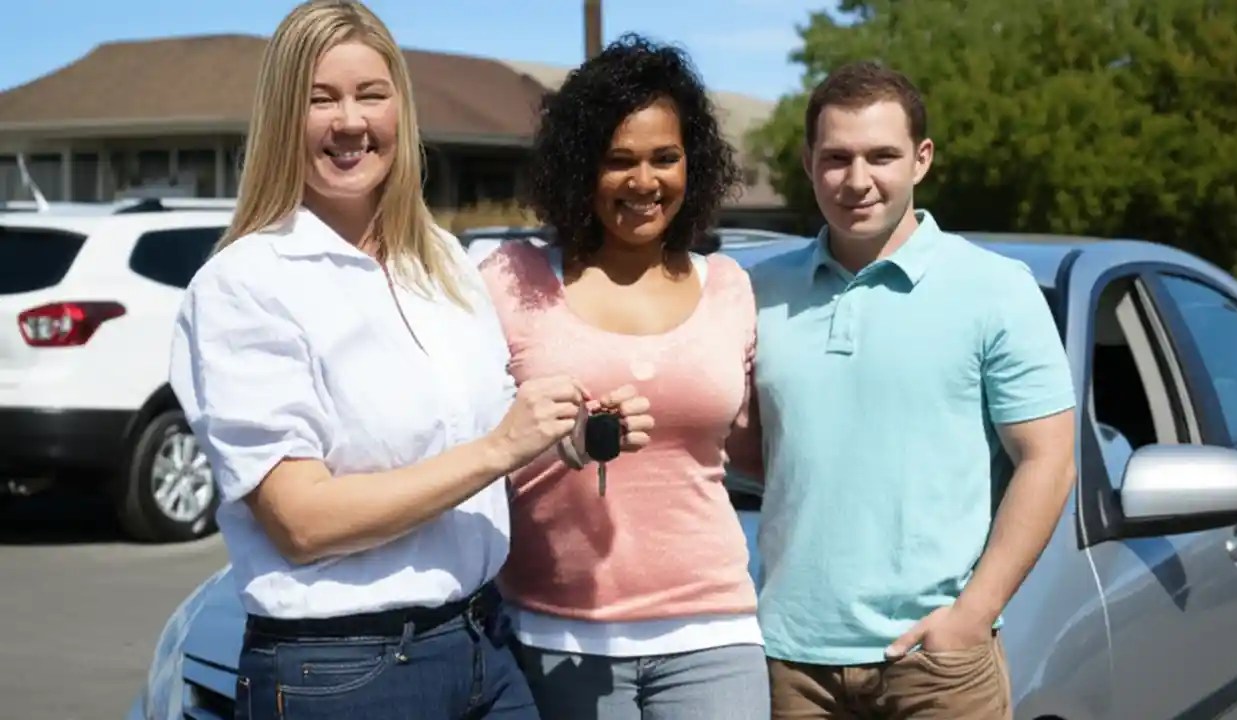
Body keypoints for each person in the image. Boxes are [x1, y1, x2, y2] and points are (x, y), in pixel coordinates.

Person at [167, 2, 651, 718]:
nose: (351, 122)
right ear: (280, 118)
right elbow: (302, 522)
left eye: (371, 94)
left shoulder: (445, 264)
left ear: (402, 108)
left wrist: (564, 436)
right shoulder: (245, 285)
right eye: (320, 98)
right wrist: (497, 450)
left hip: (484, 643)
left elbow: (481, 443)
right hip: (344, 673)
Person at [737, 61, 1078, 719]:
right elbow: (757, 449)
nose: (857, 179)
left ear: (921, 160)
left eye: (881, 156)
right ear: (808, 162)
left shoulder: (997, 289)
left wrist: (973, 616)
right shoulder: (757, 292)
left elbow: (1050, 460)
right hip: (786, 663)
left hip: (935, 665)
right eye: (836, 157)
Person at [476, 34, 769, 720]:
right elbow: (467, 442)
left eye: (665, 157)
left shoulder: (728, 287)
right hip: (554, 633)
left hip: (714, 633)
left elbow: (760, 450)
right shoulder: (511, 279)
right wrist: (554, 438)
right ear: (581, 168)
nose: (645, 182)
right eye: (619, 161)